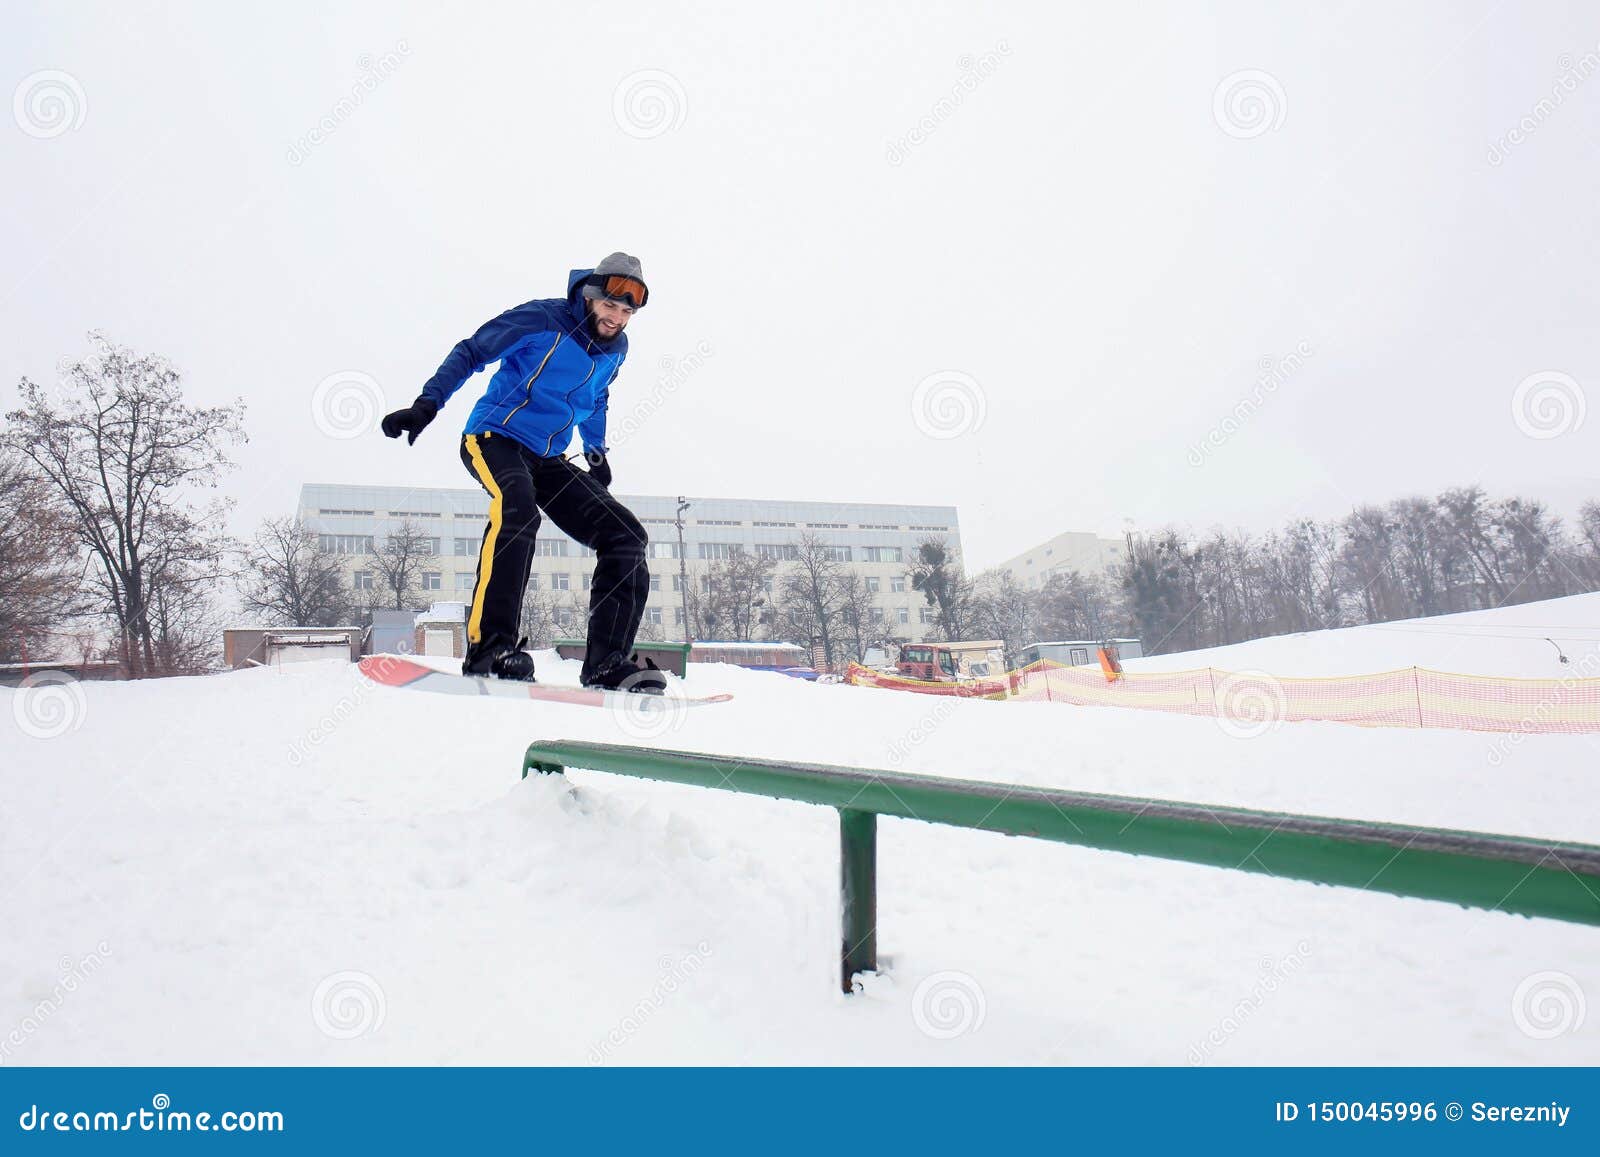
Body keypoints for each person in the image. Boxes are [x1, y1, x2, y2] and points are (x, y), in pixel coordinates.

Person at [381, 252, 666, 693]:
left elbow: (598, 398)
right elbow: (472, 351)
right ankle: (490, 650)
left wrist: (595, 452)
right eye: (610, 305)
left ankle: (606, 663)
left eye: (627, 312)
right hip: (494, 437)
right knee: (518, 509)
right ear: (590, 296)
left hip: (548, 459)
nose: (616, 318)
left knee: (626, 537)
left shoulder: (617, 349)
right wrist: (427, 405)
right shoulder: (542, 318)